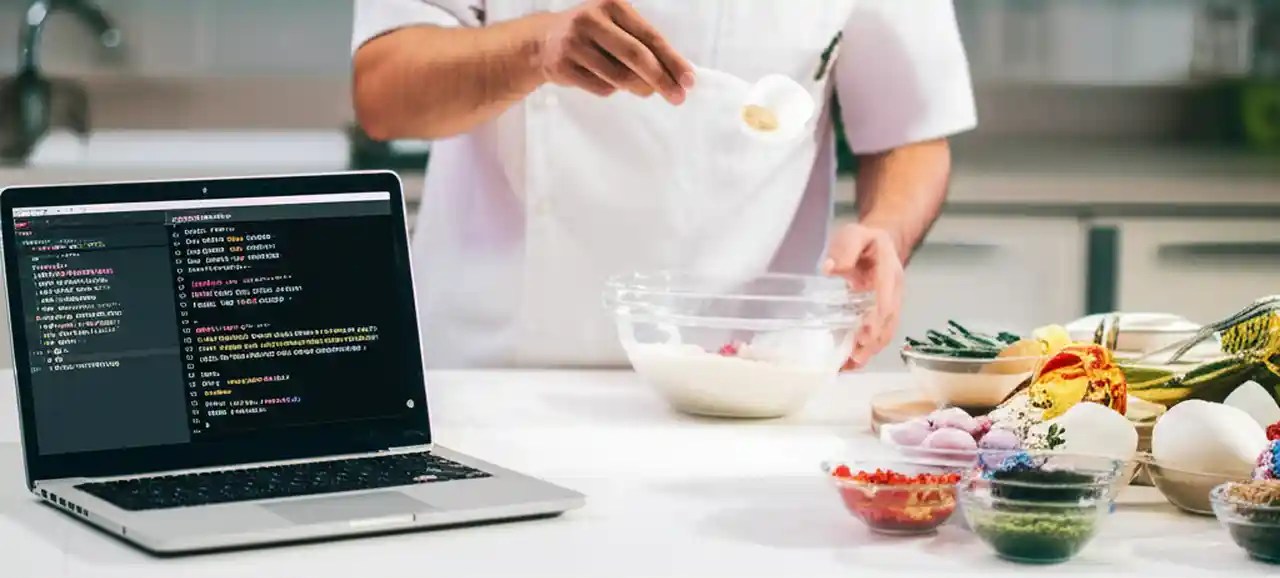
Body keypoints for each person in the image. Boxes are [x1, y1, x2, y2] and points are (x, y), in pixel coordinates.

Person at [352, 0, 976, 368]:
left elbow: (910, 131)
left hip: (745, 377)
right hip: (495, 368)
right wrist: (534, 48)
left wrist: (886, 233)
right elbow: (385, 91)